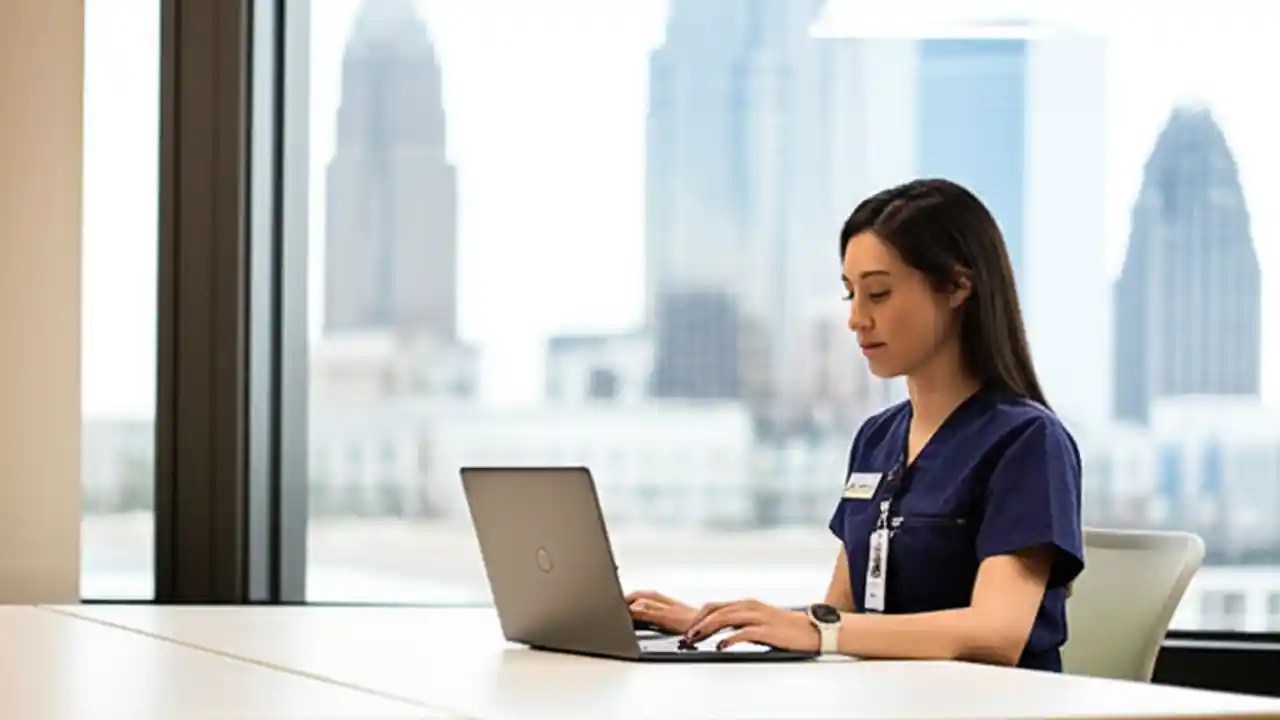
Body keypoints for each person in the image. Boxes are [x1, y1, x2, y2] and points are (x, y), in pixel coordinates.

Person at [627, 178, 1084, 671]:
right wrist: (721, 622)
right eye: (851, 295)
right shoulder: (876, 439)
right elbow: (841, 614)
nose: (857, 319)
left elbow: (997, 633)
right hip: (881, 701)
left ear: (956, 287)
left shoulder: (1027, 441)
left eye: (879, 294)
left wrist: (816, 630)